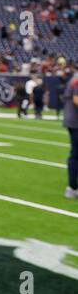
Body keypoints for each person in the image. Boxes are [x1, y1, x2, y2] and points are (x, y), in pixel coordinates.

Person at [65, 71, 78, 201]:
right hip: (76, 123)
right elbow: (76, 100)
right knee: (75, 155)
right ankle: (72, 187)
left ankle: (73, 187)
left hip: (73, 121)